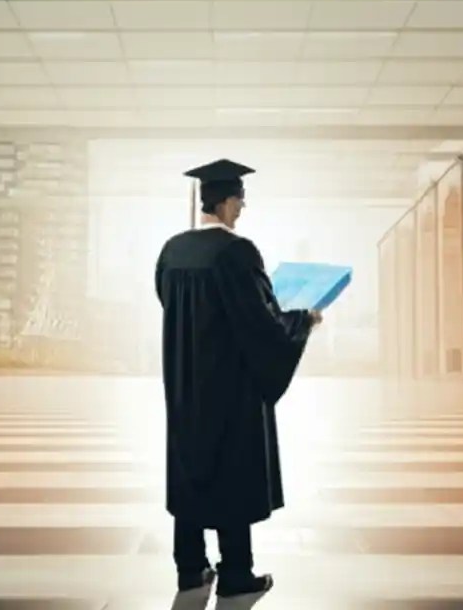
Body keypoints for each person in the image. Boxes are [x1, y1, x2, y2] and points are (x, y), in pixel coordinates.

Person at [154, 158, 322, 597]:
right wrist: (304, 320)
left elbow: (168, 305)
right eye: (241, 200)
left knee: (190, 465)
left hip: (184, 384)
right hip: (229, 387)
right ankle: (235, 574)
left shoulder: (172, 250)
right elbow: (262, 324)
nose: (242, 208)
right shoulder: (238, 252)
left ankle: (190, 568)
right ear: (227, 202)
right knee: (231, 470)